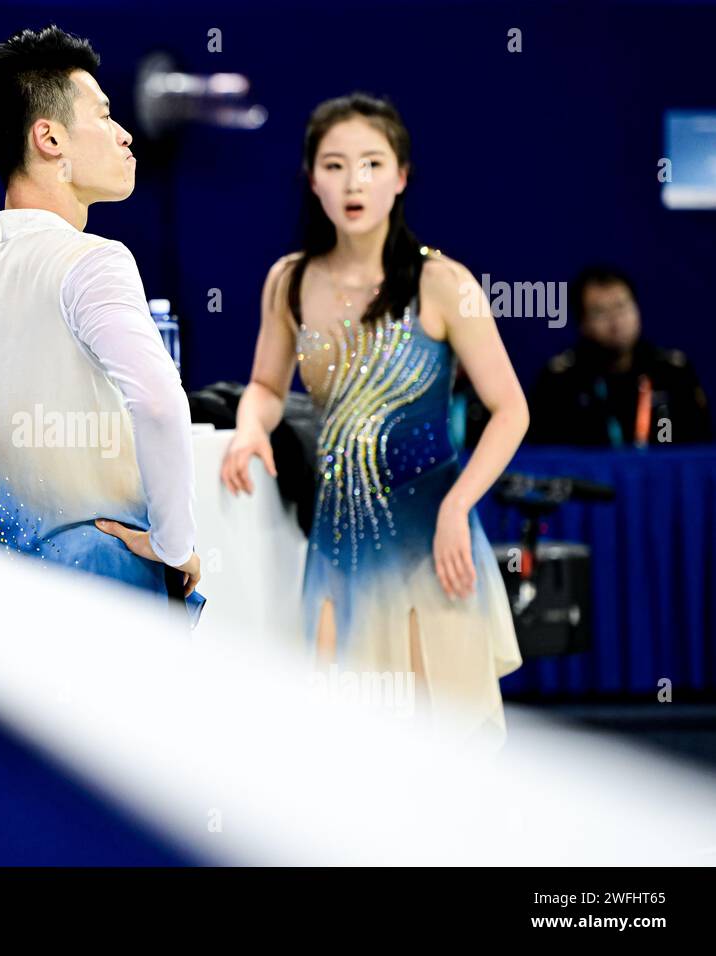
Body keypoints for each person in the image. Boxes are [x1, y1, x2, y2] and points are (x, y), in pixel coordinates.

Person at [221, 93, 526, 747]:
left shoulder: (443, 283)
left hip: (432, 544)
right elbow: (267, 385)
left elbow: (511, 410)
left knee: (446, 748)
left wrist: (458, 506)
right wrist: (250, 425)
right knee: (349, 751)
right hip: (338, 546)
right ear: (312, 180)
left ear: (401, 176)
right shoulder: (289, 281)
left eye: (371, 163)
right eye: (334, 165)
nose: (353, 181)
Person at [0, 26, 201, 608]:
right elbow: (160, 401)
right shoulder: (94, 261)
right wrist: (174, 543)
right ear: (50, 137)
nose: (125, 135)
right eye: (105, 116)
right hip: (98, 592)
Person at [529, 265, 712, 445]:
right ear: (582, 323)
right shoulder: (560, 381)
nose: (615, 321)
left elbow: (699, 450)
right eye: (600, 312)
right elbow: (546, 460)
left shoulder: (672, 372)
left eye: (621, 306)